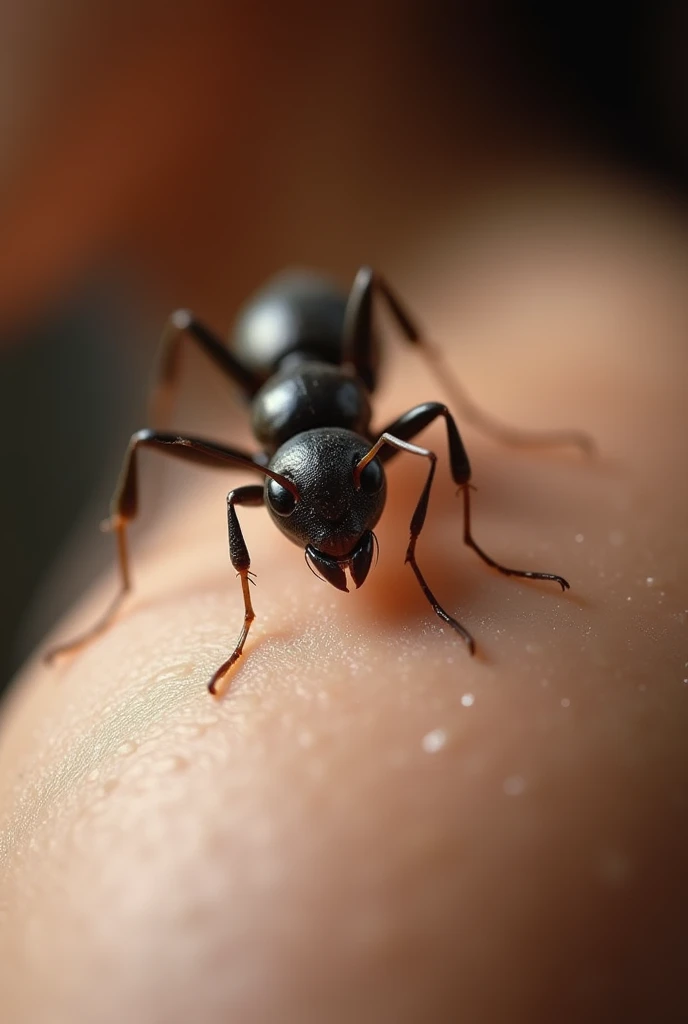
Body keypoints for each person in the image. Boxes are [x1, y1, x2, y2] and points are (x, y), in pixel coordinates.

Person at [1, 4, 686, 1021]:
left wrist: (463, 552)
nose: (335, 537)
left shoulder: (291, 883)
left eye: (360, 493)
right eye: (301, 510)